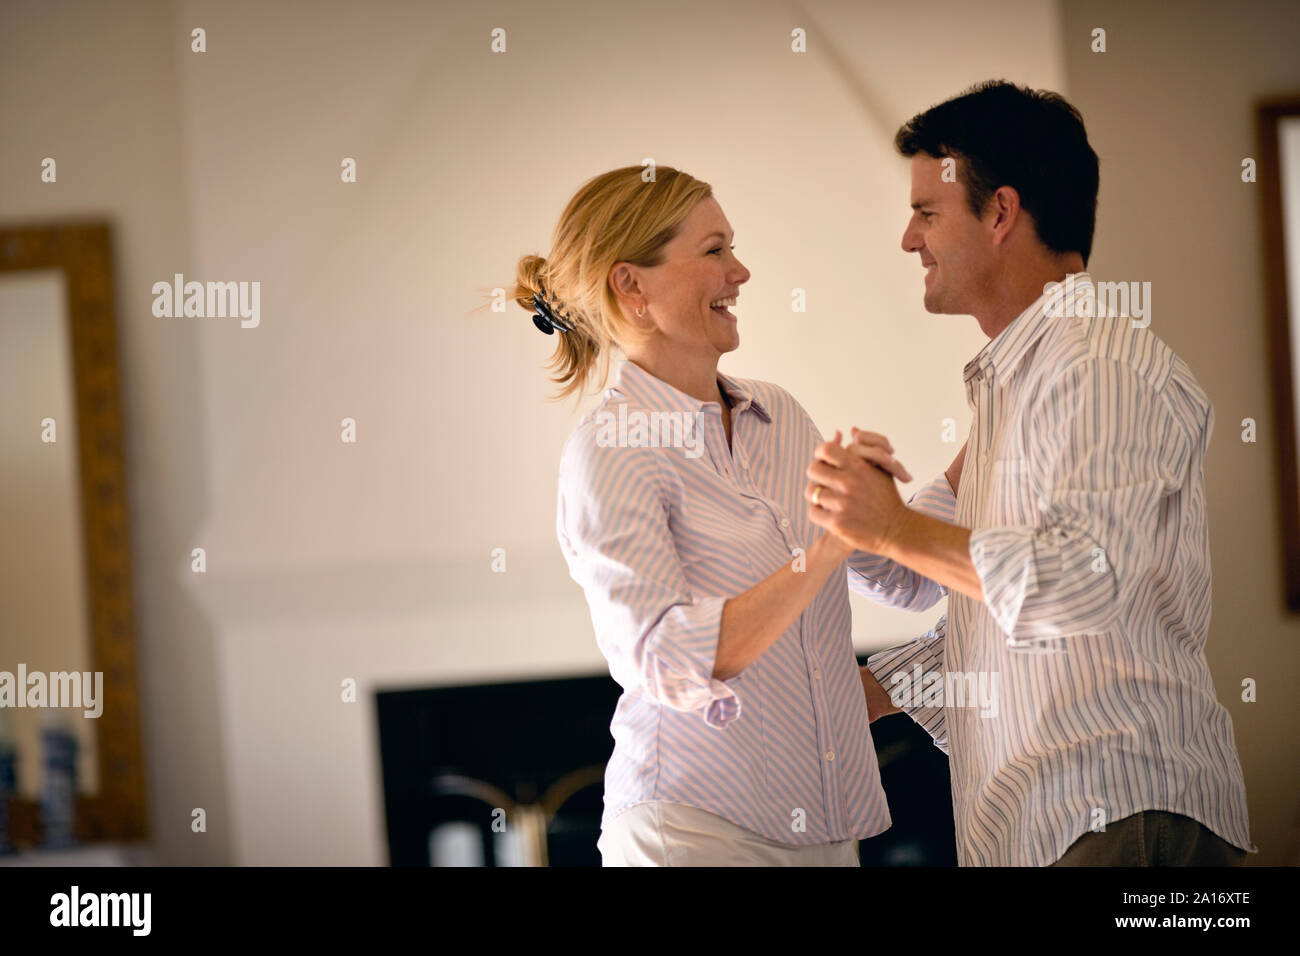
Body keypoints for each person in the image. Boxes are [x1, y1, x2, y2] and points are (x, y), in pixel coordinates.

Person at [805, 80, 1256, 866]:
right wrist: (834, 509)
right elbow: (916, 577)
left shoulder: (1098, 365)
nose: (910, 241)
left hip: (1120, 821)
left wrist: (894, 526)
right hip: (1057, 828)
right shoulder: (1016, 386)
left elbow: (1074, 582)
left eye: (926, 212)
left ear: (1001, 212)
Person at [514, 165, 942, 866]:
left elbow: (905, 581)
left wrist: (983, 438)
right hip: (694, 833)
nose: (740, 271)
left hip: (828, 835)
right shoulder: (609, 450)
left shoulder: (782, 418)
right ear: (632, 285)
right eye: (713, 251)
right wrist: (826, 550)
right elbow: (668, 657)